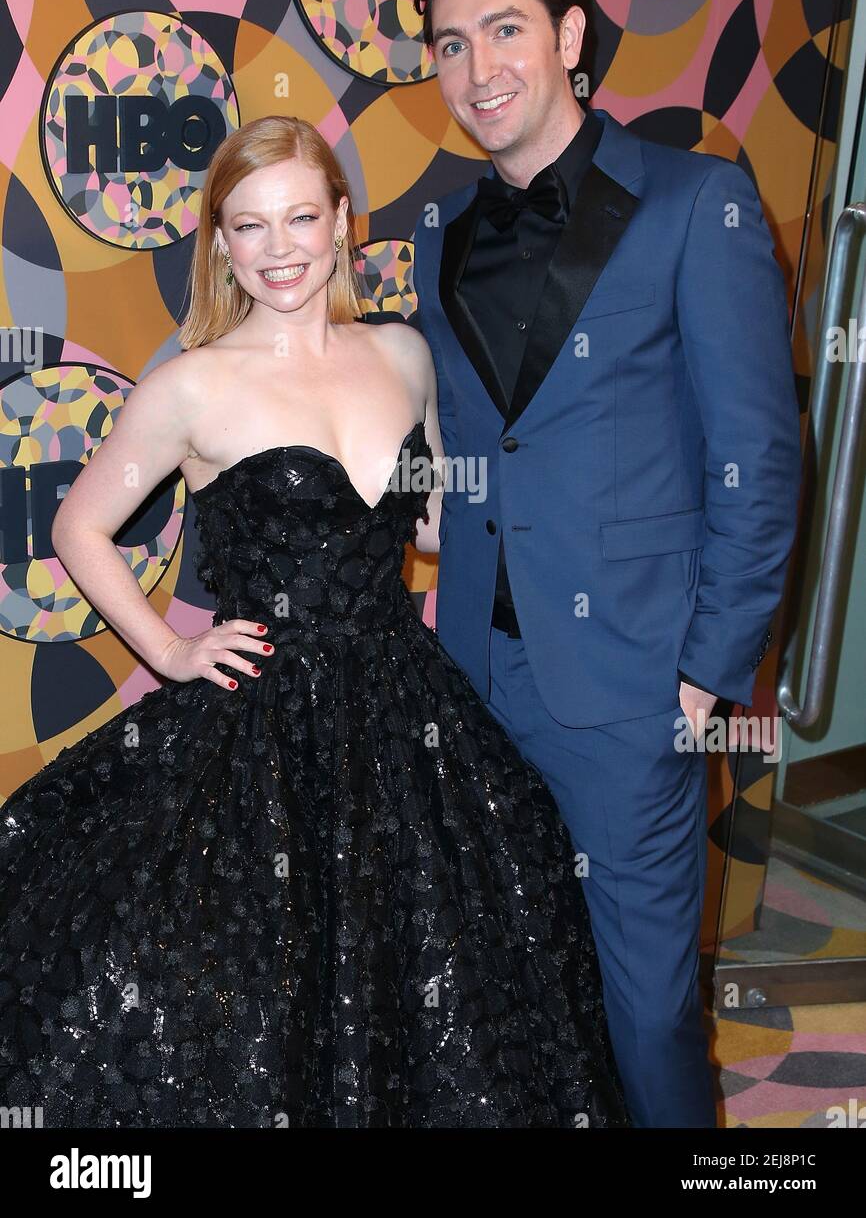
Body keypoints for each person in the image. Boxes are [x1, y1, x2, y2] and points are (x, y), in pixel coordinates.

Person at [0, 115, 630, 1129]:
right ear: (220, 242)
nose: (279, 246)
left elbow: (429, 520)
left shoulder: (402, 355)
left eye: (300, 216)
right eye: (250, 226)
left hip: (405, 706)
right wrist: (168, 649)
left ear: (341, 221)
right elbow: (79, 524)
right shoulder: (192, 382)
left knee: (451, 967)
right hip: (257, 722)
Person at [409, 0, 803, 1128]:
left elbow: (758, 454)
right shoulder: (437, 235)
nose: (478, 69)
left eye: (506, 29)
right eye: (450, 43)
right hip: (474, 673)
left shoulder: (697, 203)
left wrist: (702, 674)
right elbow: (475, 447)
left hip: (634, 684)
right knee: (508, 986)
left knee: (643, 1012)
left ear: (571, 36)